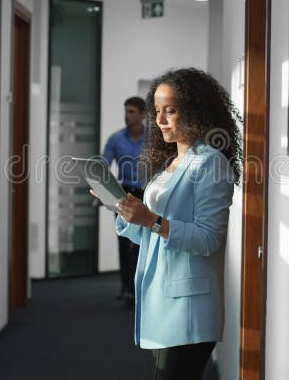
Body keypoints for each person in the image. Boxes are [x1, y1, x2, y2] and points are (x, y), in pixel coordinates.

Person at [110, 68, 242, 380]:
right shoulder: (172, 161)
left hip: (188, 307)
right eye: (157, 111)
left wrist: (151, 219)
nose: (160, 120)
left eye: (171, 111)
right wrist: (128, 212)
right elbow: (153, 233)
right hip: (161, 298)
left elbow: (209, 239)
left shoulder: (210, 162)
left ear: (196, 111)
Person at [101, 96, 147, 306]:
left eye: (132, 111)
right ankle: (126, 287)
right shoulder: (116, 139)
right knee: (124, 241)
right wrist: (106, 193)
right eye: (126, 111)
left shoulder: (154, 139)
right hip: (124, 193)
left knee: (140, 243)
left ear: (143, 114)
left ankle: (138, 287)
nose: (127, 115)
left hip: (145, 194)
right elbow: (103, 168)